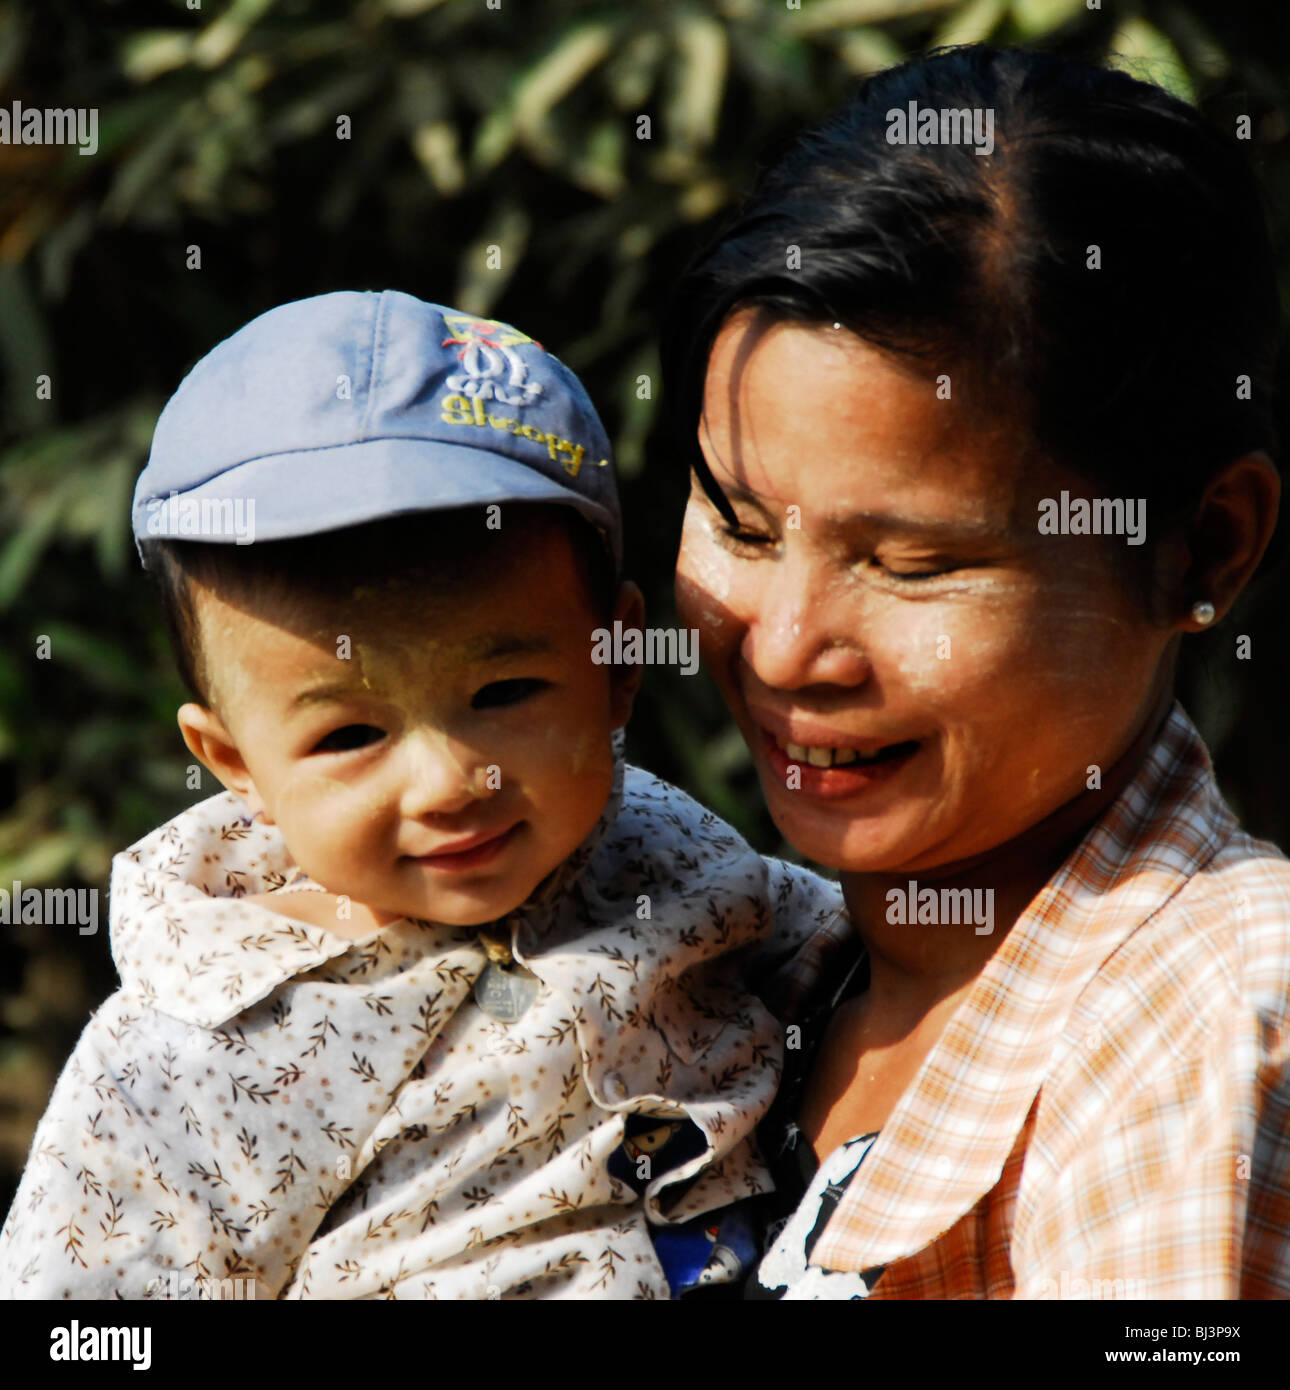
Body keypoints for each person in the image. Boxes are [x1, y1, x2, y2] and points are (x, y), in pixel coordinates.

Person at [0, 290, 842, 1300]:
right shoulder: (193, 1051)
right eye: (350, 733)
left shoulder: (674, 863)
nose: (449, 781)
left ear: (617, 663)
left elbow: (871, 974)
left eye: (505, 693)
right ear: (234, 762)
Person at [663, 44, 1290, 1298]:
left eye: (913, 564)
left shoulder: (1211, 1022)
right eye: (739, 524)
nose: (784, 646)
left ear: (1203, 547)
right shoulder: (731, 962)